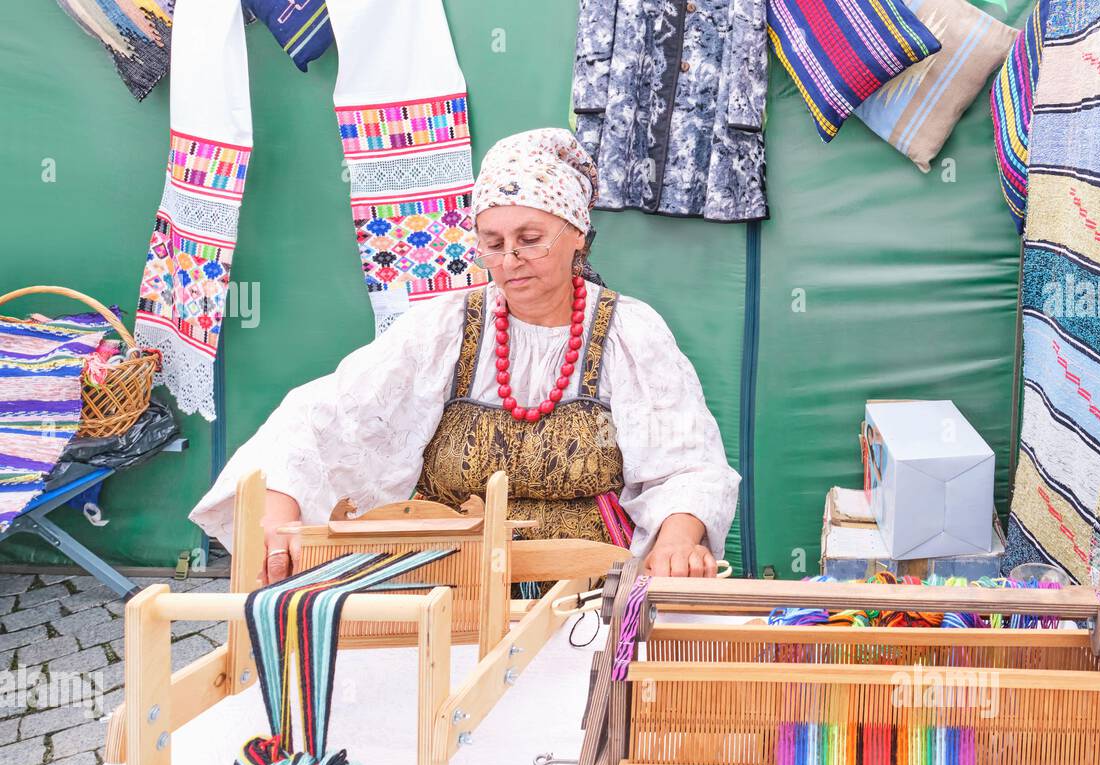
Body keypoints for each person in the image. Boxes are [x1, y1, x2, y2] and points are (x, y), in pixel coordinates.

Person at [190, 128, 739, 583]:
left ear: (578, 235)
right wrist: (281, 502)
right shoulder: (446, 325)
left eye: (531, 238)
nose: (511, 259)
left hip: (588, 584)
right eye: (493, 243)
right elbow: (329, 414)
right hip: (449, 580)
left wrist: (678, 538)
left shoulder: (628, 331)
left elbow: (687, 462)